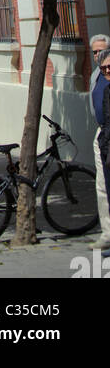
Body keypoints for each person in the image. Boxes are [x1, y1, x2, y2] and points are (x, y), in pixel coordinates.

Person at [90, 35, 110, 252]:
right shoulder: (96, 74)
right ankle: (107, 233)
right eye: (95, 52)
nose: (98, 56)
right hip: (101, 134)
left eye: (103, 51)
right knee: (102, 185)